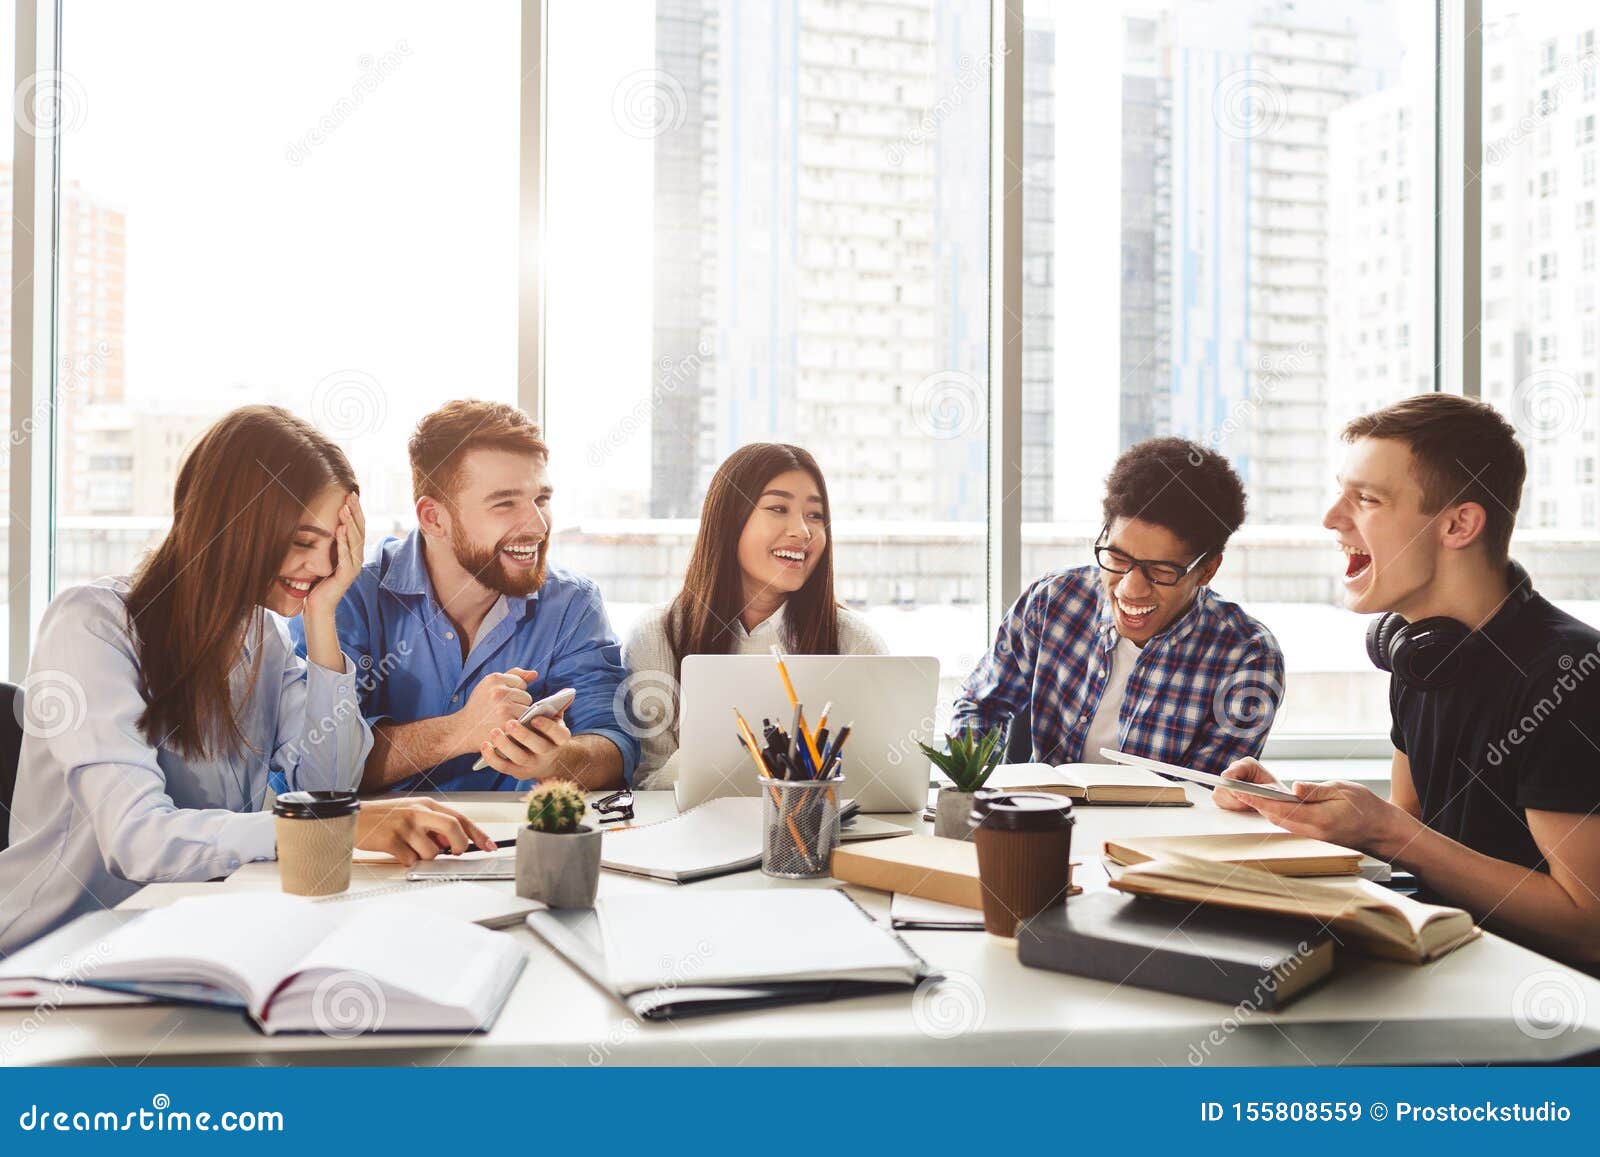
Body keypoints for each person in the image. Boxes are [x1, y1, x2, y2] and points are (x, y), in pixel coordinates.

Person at [0, 406, 493, 956]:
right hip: (50, 953)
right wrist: (339, 830)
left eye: (335, 545)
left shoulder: (264, 635)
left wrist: (322, 615)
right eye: (304, 541)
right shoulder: (91, 625)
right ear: (234, 526)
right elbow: (136, 841)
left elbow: (330, 780)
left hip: (184, 938)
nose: (322, 564)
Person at [1217, 394, 1600, 967]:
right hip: (1447, 962)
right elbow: (1415, 837)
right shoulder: (1423, 653)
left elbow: (1586, 924)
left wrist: (1389, 833)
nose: (1331, 519)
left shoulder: (1568, 677)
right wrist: (1296, 808)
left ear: (1459, 524)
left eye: (1366, 498)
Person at [294, 399, 637, 793]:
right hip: (378, 850)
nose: (539, 525)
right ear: (433, 518)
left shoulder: (572, 603)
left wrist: (559, 760)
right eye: (505, 503)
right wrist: (459, 731)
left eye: (541, 499)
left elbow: (616, 744)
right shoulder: (347, 597)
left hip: (516, 848)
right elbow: (310, 768)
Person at [953, 437, 1284, 772]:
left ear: (1207, 570)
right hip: (1040, 819)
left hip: (1157, 827)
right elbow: (980, 705)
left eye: (1160, 570)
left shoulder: (1248, 657)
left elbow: (1204, 799)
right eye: (1117, 557)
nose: (1131, 588)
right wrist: (981, 785)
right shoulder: (1051, 601)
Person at [623, 443, 886, 787]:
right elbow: (645, 783)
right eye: (778, 508)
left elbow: (880, 785)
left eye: (815, 515)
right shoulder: (657, 635)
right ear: (728, 520)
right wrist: (714, 754)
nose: (803, 531)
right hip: (698, 835)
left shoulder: (856, 642)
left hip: (821, 834)